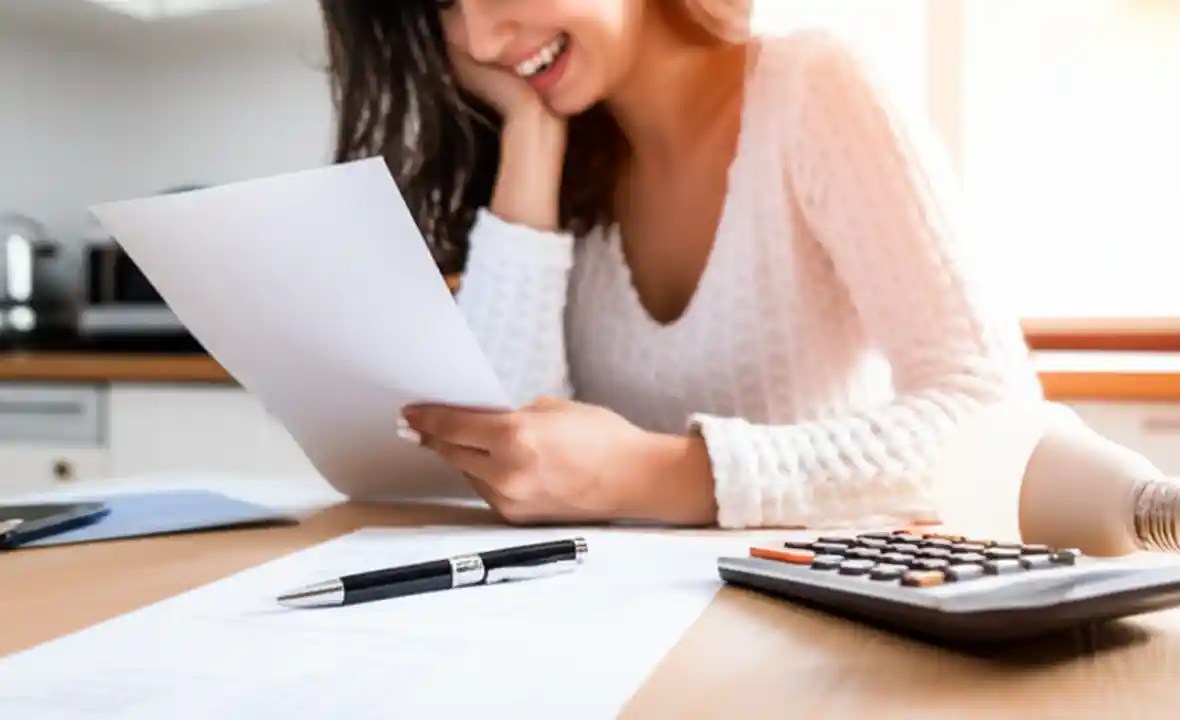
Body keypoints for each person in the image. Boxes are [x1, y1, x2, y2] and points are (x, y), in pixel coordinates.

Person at [318, 0, 1042, 529]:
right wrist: (531, 137)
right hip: (627, 645)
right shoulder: (568, 161)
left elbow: (997, 415)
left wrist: (660, 475)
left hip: (816, 647)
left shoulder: (811, 88)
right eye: (444, 4)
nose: (477, 37)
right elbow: (509, 464)